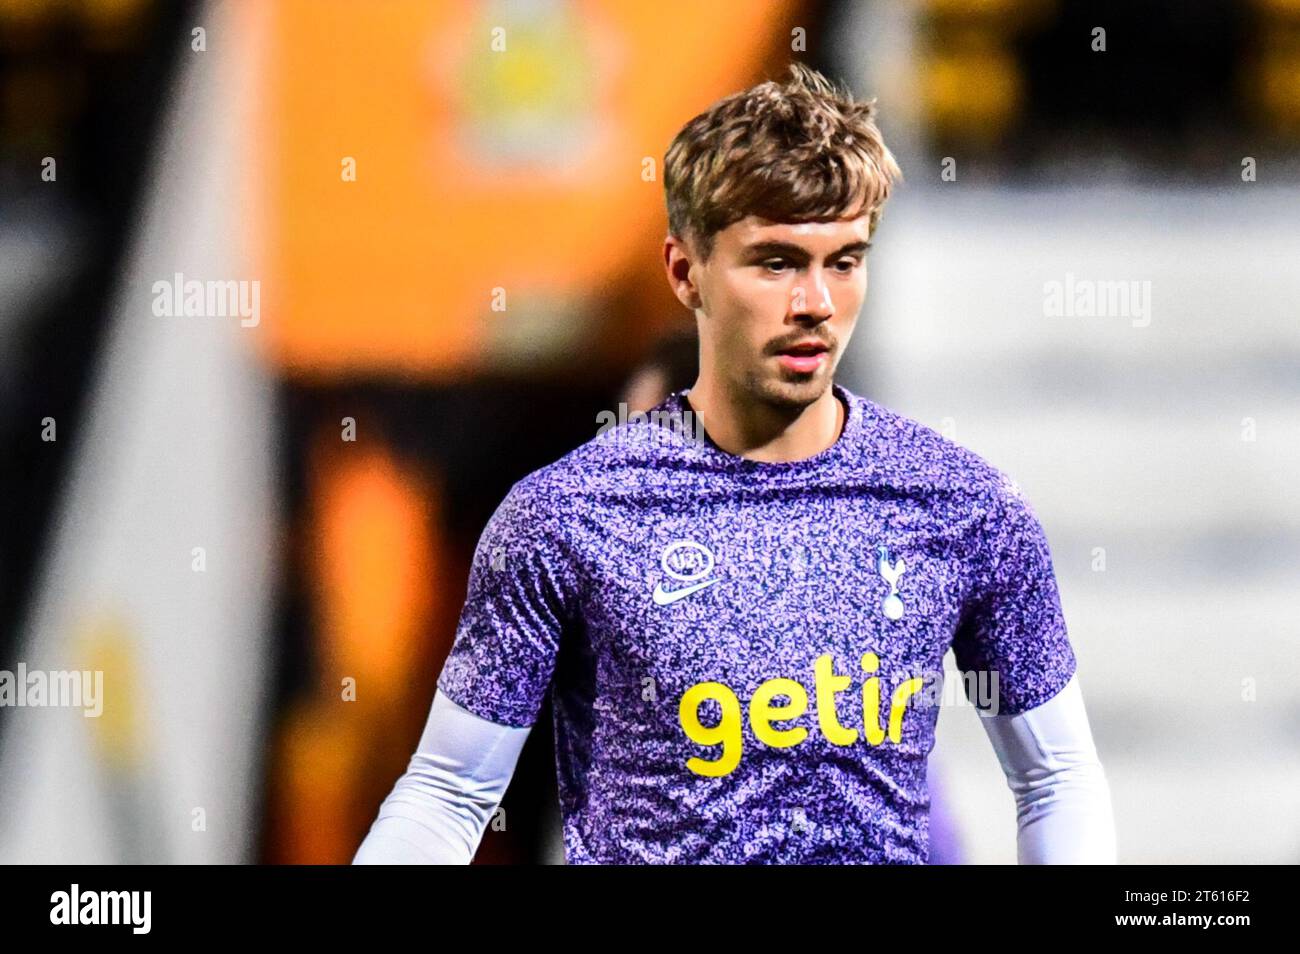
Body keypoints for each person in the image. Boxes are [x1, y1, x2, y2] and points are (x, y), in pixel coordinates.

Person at [354, 63, 1116, 865]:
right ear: (686, 272)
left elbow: (1057, 775)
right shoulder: (568, 515)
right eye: (777, 262)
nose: (815, 302)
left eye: (845, 260)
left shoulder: (962, 507)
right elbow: (449, 791)